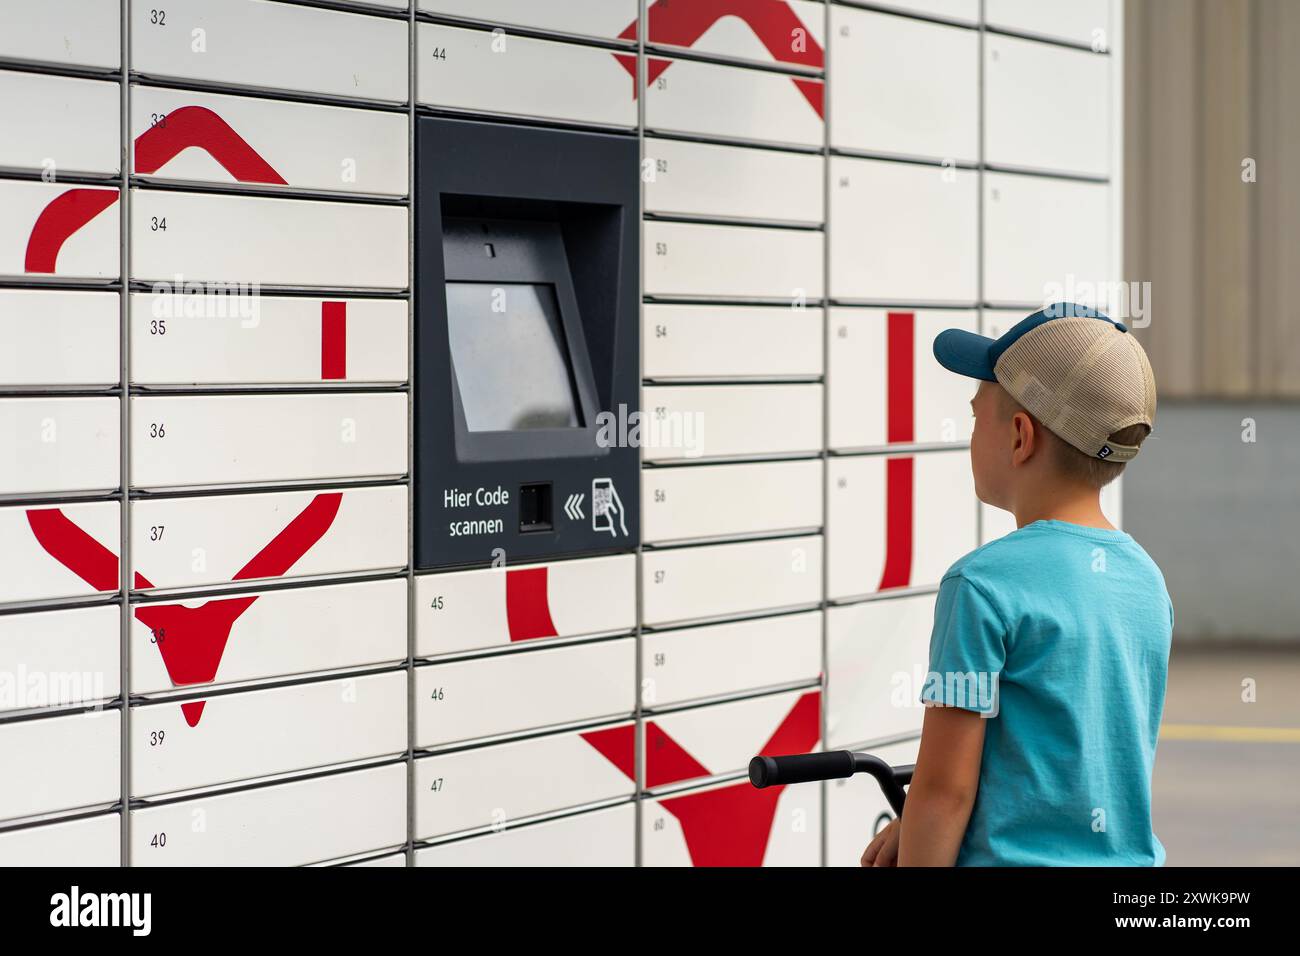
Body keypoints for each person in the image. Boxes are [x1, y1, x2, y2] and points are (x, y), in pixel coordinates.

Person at [862, 303, 1173, 866]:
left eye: (977, 416)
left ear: (1020, 437)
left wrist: (918, 828)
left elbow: (943, 792)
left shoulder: (981, 586)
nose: (971, 433)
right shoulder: (1145, 579)